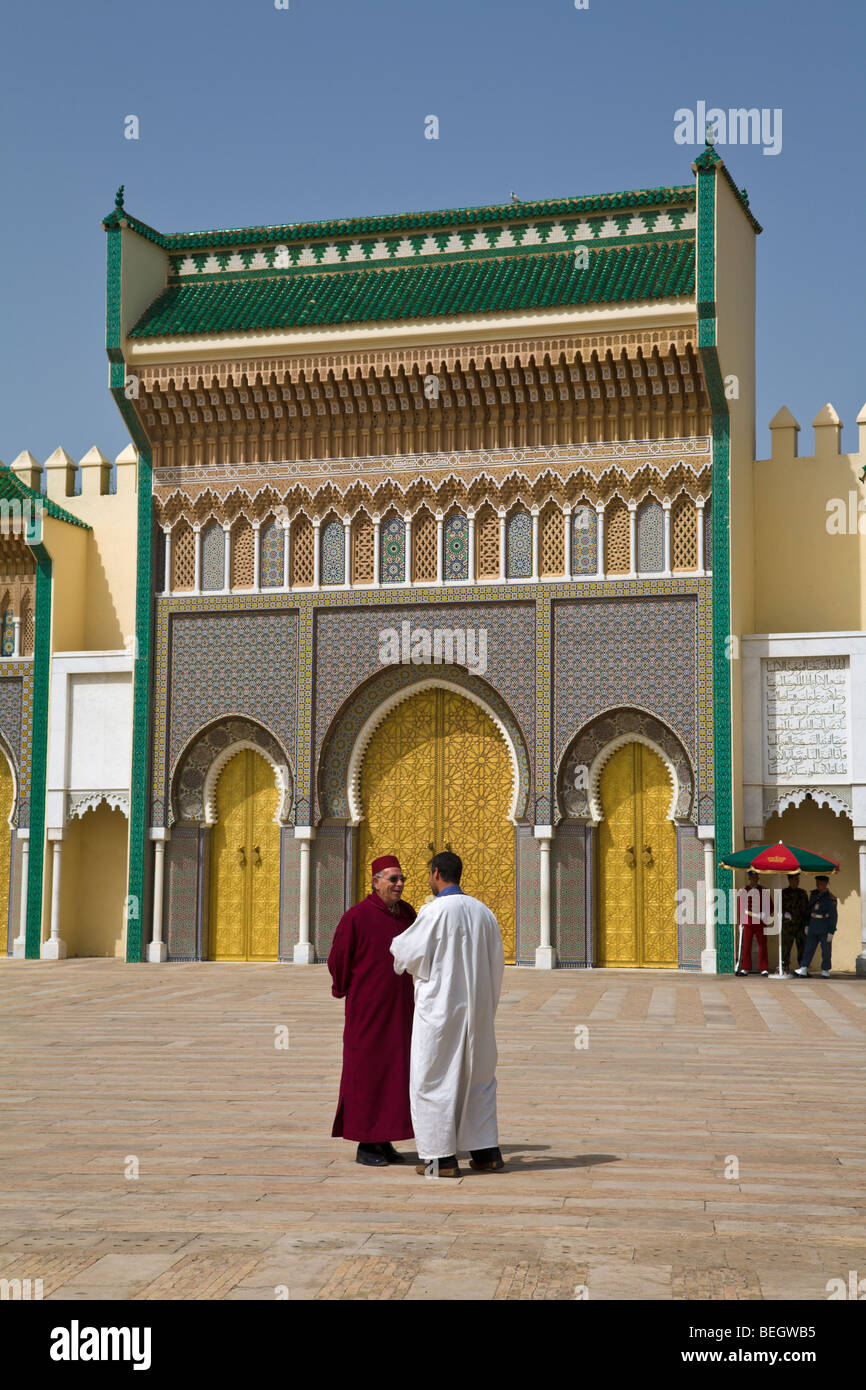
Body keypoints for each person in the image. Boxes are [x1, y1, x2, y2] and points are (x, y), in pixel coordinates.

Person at [390, 850, 505, 1178]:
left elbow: (403, 954)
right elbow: (496, 963)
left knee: (434, 1079)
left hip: (440, 1013)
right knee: (479, 1080)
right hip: (477, 1012)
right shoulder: (483, 912)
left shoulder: (434, 911)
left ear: (436, 873)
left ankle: (441, 1158)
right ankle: (486, 1152)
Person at [327, 855, 415, 1166]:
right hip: (367, 1010)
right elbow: (338, 958)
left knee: (394, 1072)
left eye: (401, 879)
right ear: (375, 882)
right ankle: (366, 1141)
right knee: (366, 1071)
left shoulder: (406, 914)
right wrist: (344, 988)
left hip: (400, 1010)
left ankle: (384, 1139)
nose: (399, 884)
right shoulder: (356, 917)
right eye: (392, 879)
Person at [792, 874, 838, 978]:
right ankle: (803, 967)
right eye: (817, 883)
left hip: (824, 926)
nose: (818, 885)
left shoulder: (830, 898)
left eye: (821, 883)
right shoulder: (814, 894)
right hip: (813, 925)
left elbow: (834, 916)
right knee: (808, 948)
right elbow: (809, 910)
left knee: (826, 950)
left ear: (826, 884)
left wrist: (831, 931)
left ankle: (825, 969)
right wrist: (807, 924)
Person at [735, 869, 774, 976]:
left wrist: (764, 914)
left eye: (756, 877)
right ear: (749, 878)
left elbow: (770, 906)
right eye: (752, 878)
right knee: (746, 945)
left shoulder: (764, 890)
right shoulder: (744, 890)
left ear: (758, 878)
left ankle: (763, 968)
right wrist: (741, 921)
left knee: (762, 945)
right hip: (748, 922)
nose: (754, 879)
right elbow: (741, 907)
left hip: (760, 922)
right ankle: (745, 968)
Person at [780, 872, 810, 974]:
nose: (797, 881)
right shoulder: (783, 893)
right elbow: (779, 908)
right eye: (794, 879)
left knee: (802, 947)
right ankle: (784, 967)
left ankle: (803, 968)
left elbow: (807, 910)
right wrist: (785, 914)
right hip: (788, 926)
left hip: (800, 925)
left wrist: (807, 924)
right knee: (785, 948)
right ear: (789, 880)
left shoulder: (802, 893)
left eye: (798, 879)